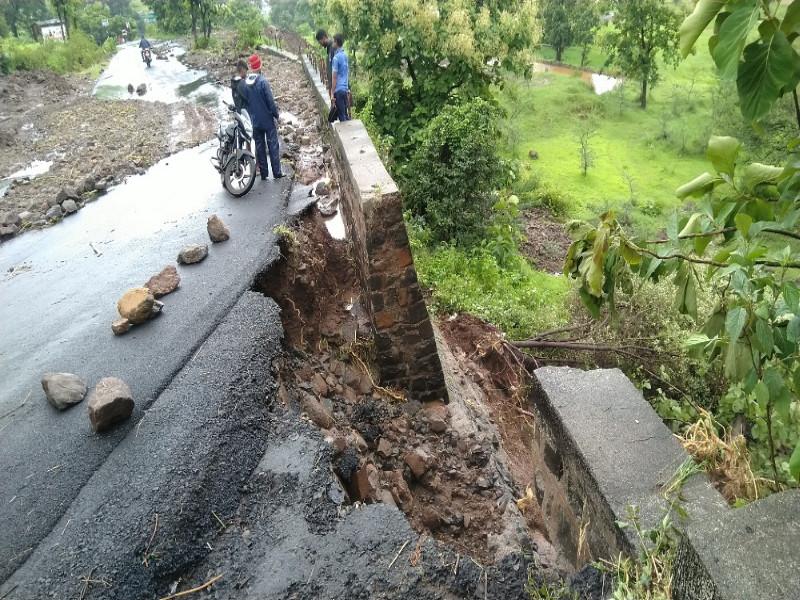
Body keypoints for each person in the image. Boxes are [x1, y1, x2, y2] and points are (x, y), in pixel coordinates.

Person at [240, 53, 283, 180]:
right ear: (260, 65)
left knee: (259, 146)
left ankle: (264, 174)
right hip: (267, 120)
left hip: (255, 121)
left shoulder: (245, 84)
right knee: (273, 145)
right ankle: (277, 173)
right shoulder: (263, 81)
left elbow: (246, 103)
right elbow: (270, 101)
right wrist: (276, 115)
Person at [329, 33, 350, 123]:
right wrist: (347, 87)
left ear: (336, 42)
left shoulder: (336, 58)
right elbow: (346, 72)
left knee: (342, 117)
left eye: (333, 41)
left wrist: (332, 92)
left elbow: (334, 77)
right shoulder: (345, 56)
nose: (332, 43)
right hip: (345, 89)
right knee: (345, 114)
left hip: (338, 89)